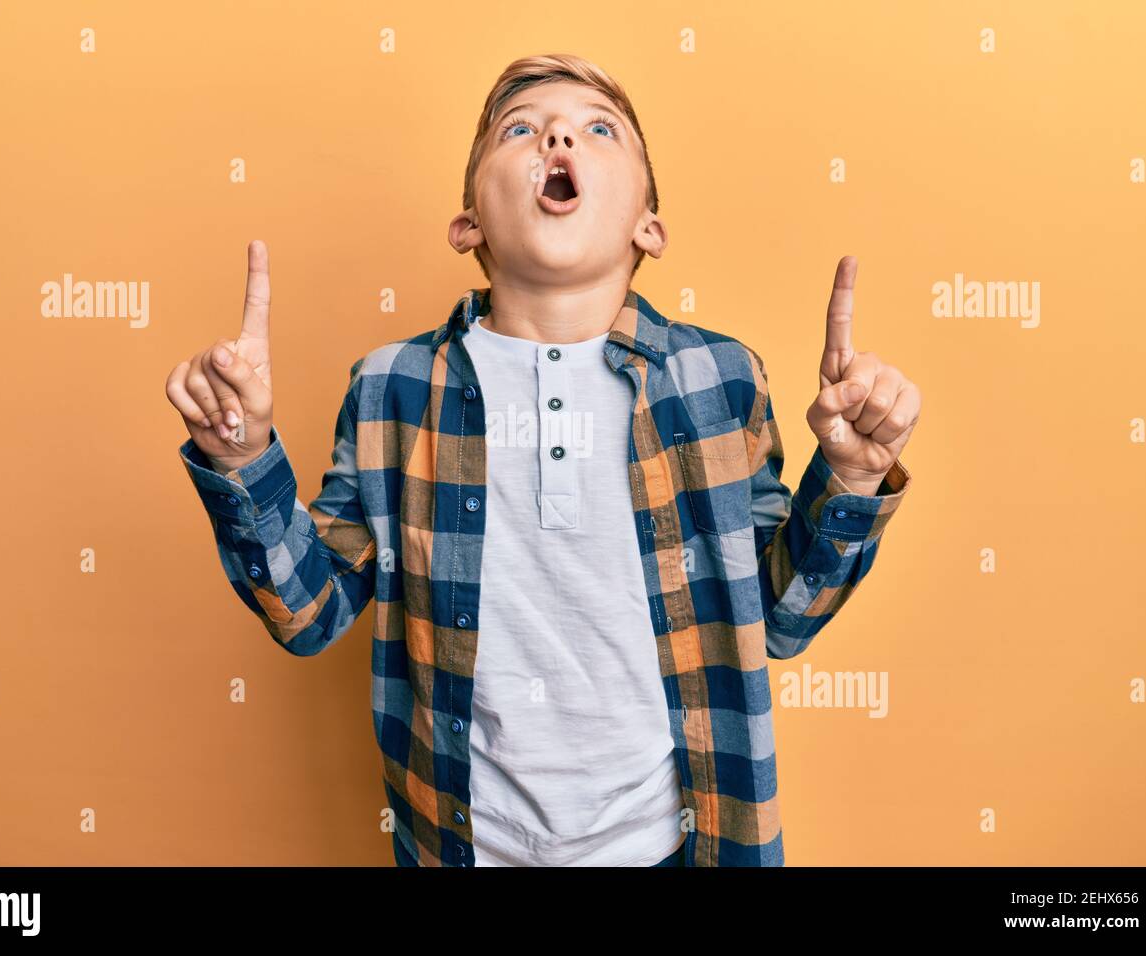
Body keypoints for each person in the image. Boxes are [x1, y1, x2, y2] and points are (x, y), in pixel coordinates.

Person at [164, 53, 919, 867]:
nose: (558, 133)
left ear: (648, 228)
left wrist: (853, 476)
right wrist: (243, 460)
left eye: (600, 129)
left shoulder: (719, 377)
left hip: (680, 848)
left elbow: (780, 617)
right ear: (469, 226)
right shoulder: (393, 388)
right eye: (519, 131)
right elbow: (309, 616)